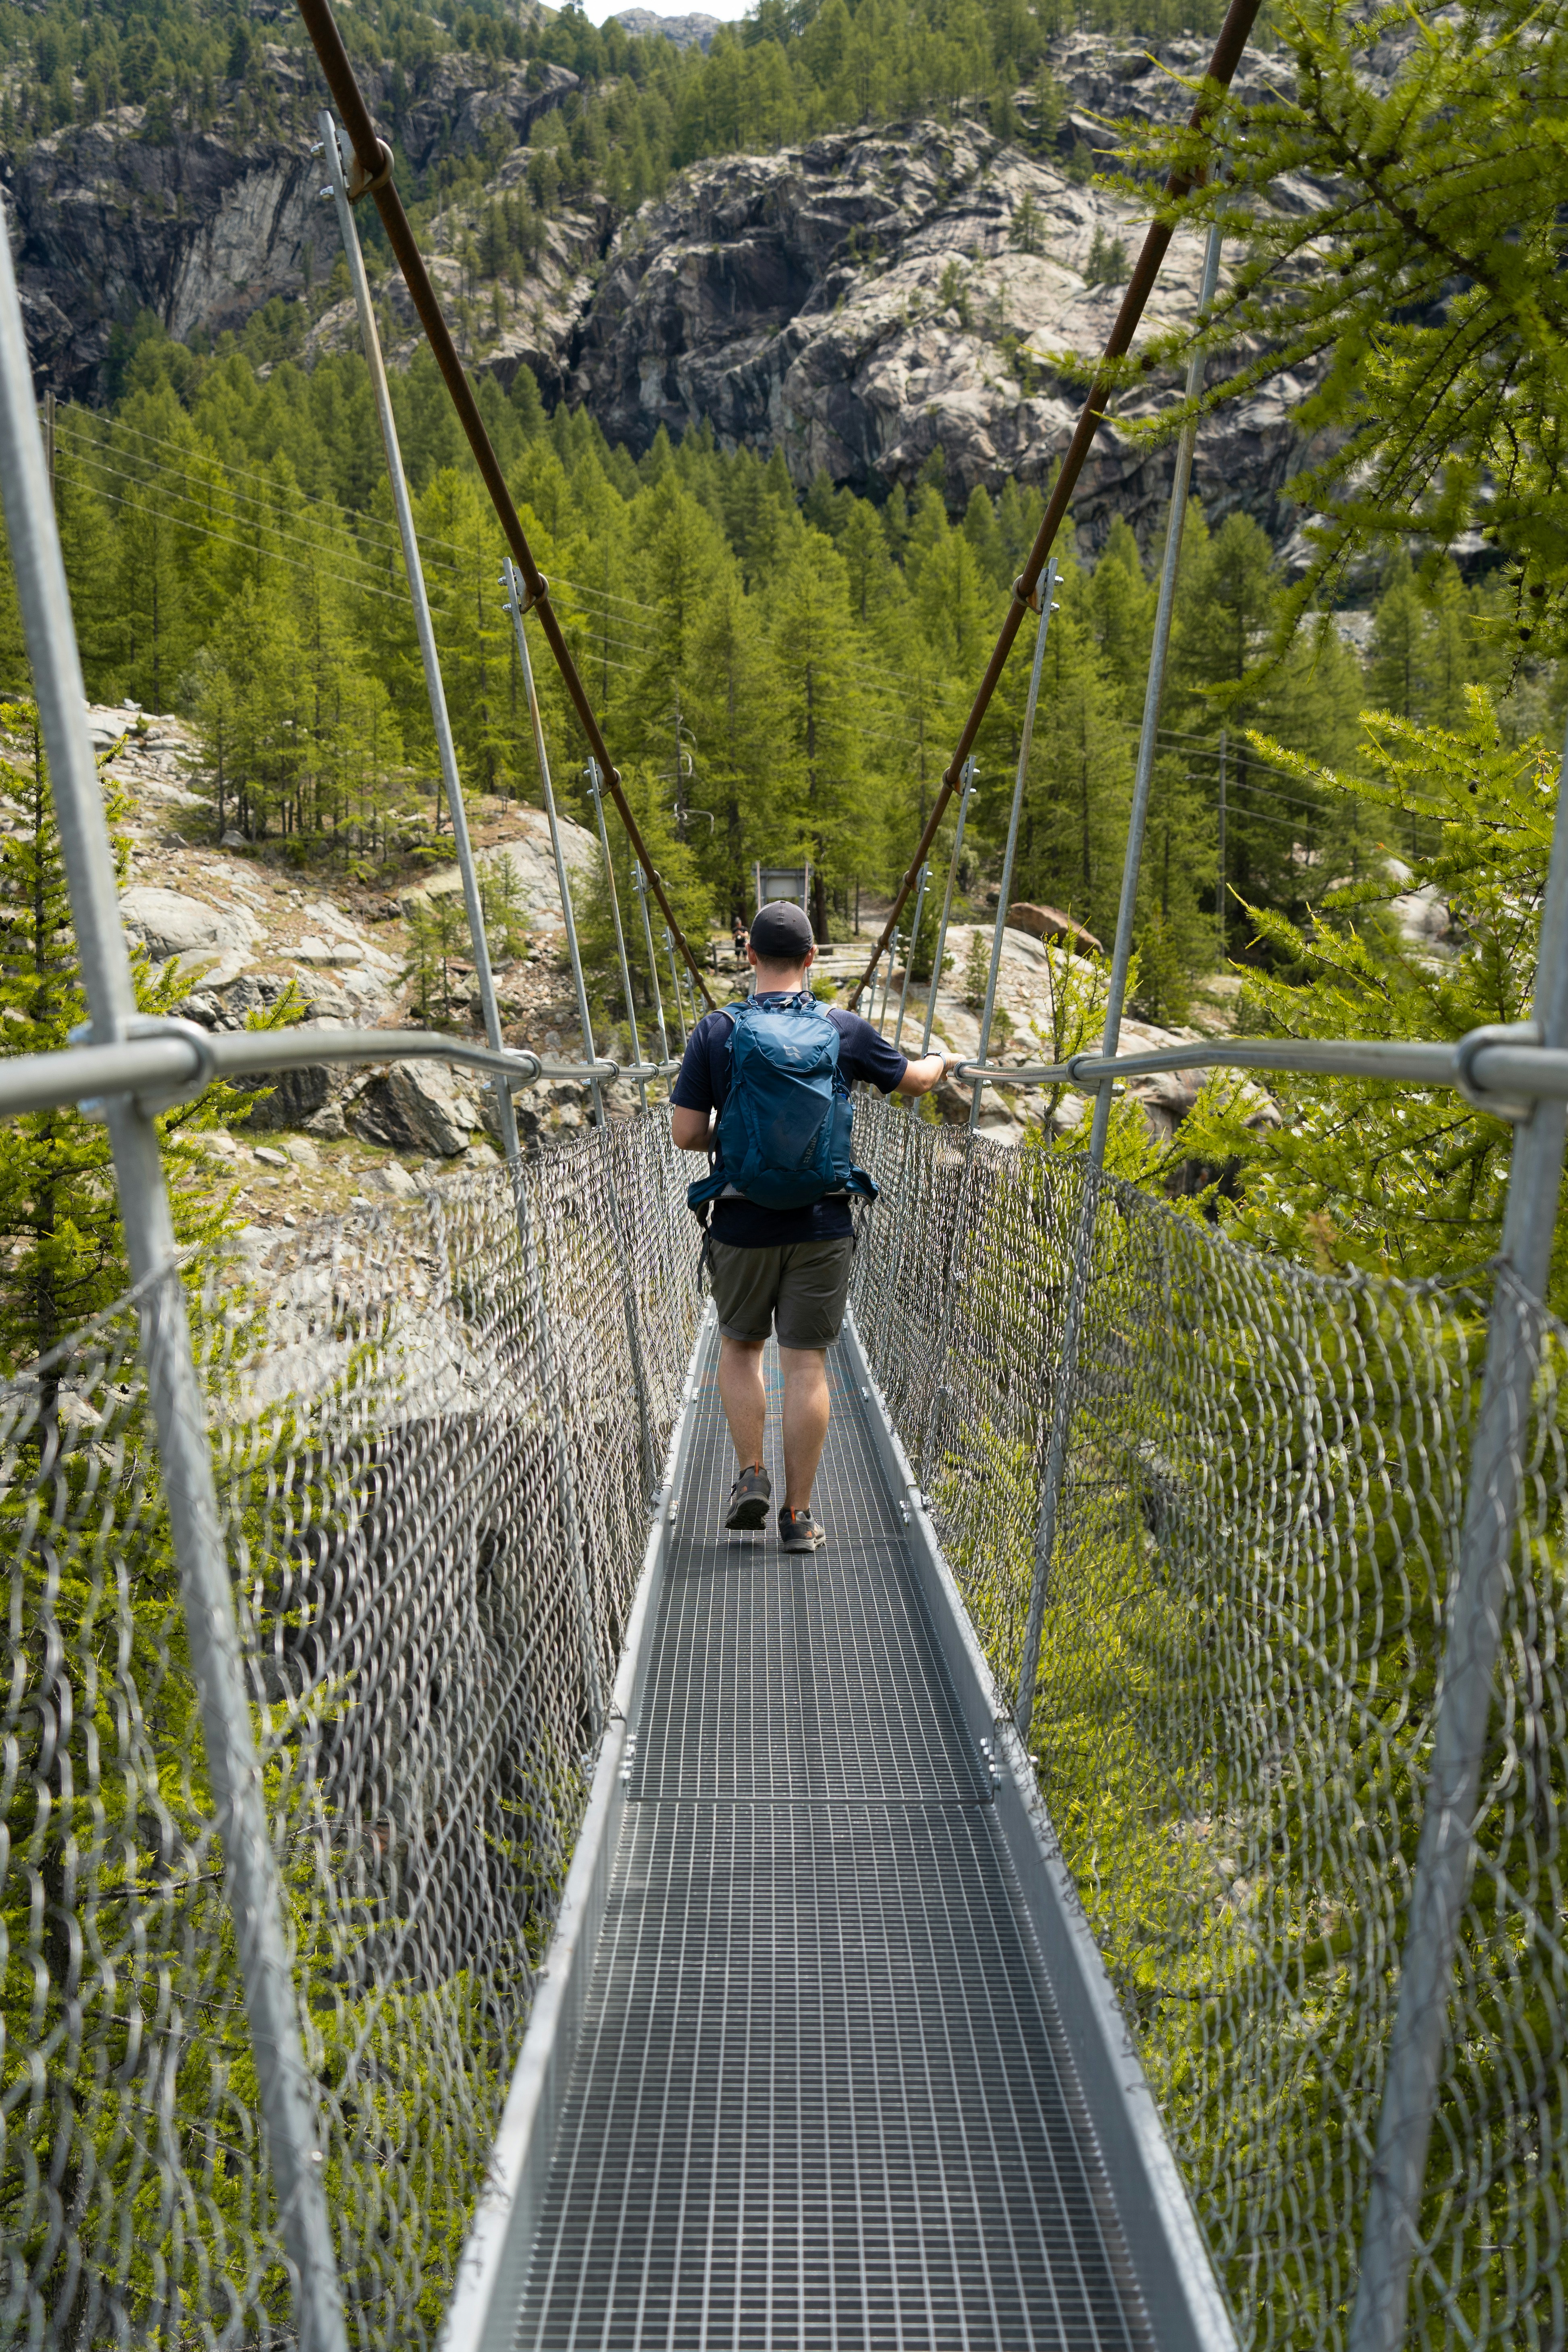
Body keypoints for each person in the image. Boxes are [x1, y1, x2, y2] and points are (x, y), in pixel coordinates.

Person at [670, 900, 953, 1553]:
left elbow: (687, 1134)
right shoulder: (842, 1026)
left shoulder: (716, 1031)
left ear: (748, 957)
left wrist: (741, 1135)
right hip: (822, 1220)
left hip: (740, 1219)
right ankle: (798, 1518)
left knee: (742, 1347)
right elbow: (912, 1082)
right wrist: (940, 1060)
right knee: (806, 1366)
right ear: (811, 958)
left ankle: (749, 1476)